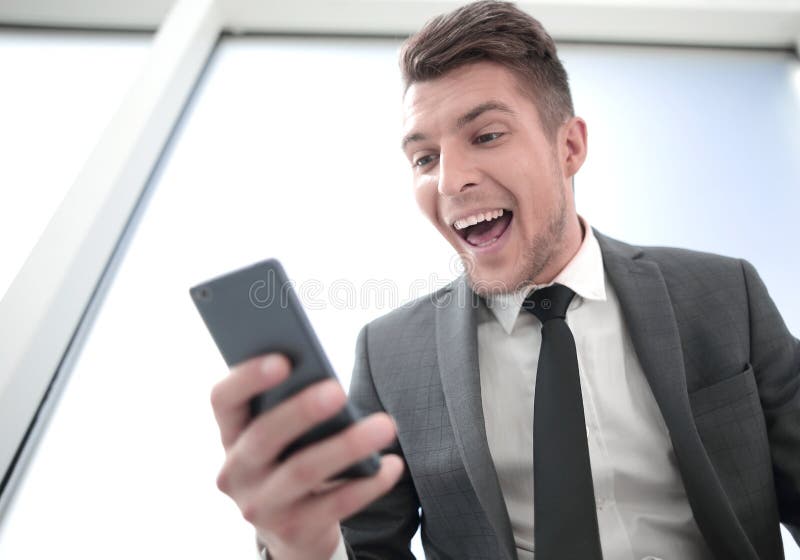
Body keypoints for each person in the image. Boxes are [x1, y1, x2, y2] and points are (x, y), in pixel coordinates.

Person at [210, 2, 800, 559]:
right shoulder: (391, 355)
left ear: (569, 146)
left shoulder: (725, 294)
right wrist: (303, 545)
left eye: (486, 136)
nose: (449, 181)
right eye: (424, 158)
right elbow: (366, 547)